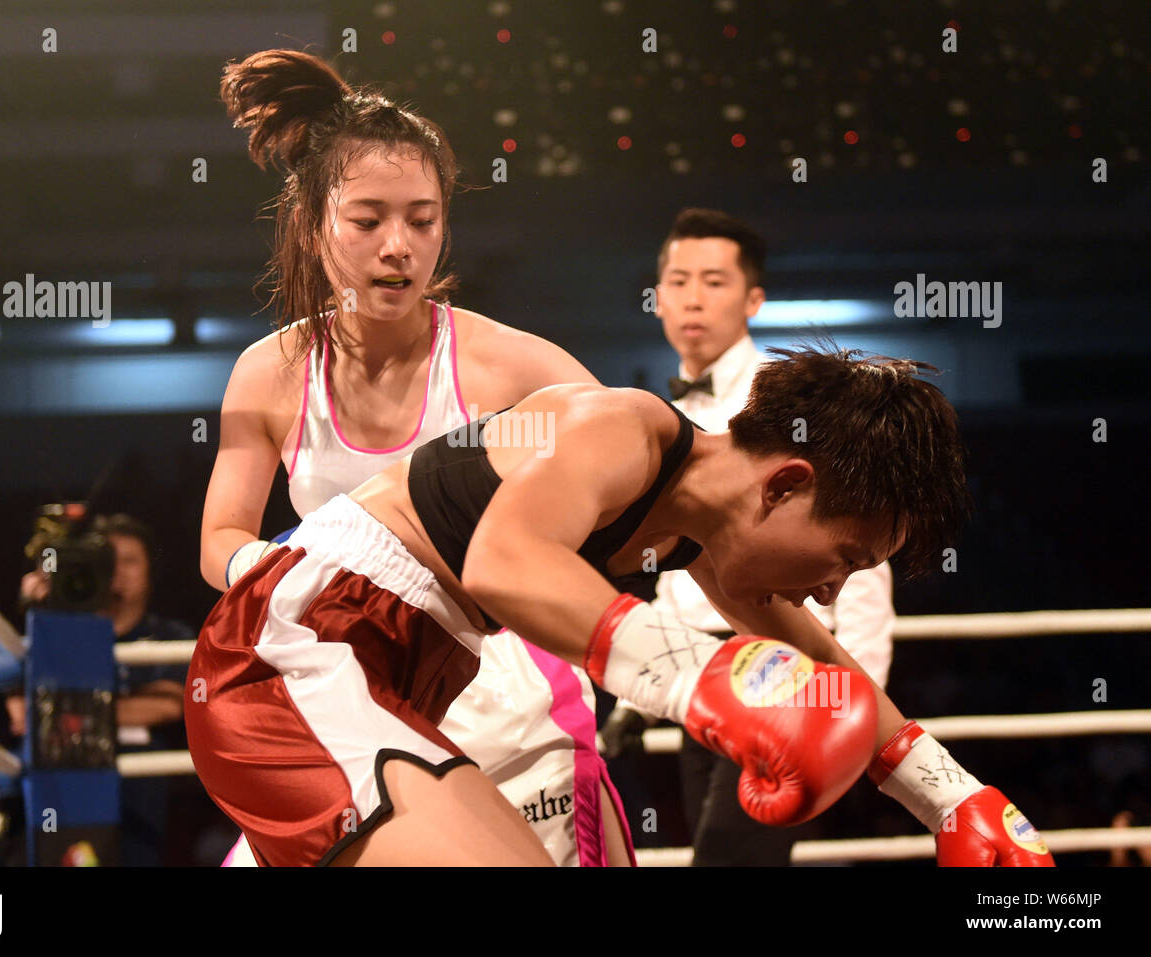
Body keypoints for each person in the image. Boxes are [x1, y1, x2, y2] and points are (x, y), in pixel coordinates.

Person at [186, 342, 1055, 867]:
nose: (834, 588)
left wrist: (955, 798)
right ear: (786, 483)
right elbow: (506, 561)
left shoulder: (699, 534)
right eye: (847, 557)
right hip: (302, 646)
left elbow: (840, 681)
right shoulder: (622, 427)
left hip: (390, 681)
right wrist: (699, 678)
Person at [198, 49, 631, 866]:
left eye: (423, 219)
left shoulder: (516, 367)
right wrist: (298, 574)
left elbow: (647, 488)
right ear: (314, 222)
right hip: (343, 695)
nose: (398, 246)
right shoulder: (269, 374)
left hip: (511, 705)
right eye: (368, 220)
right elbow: (219, 536)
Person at [603, 208, 896, 864]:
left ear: (754, 298)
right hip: (693, 678)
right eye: (678, 281)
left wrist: (858, 714)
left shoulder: (790, 404)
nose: (693, 298)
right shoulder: (659, 413)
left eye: (715, 281)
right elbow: (675, 571)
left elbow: (859, 557)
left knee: (727, 861)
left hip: (787, 668)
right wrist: (636, 693)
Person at [11, 513, 191, 866]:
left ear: (150, 573)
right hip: (57, 789)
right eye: (108, 560)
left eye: (130, 560)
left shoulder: (171, 636)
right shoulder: (58, 629)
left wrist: (65, 715)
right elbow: (21, 714)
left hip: (136, 799)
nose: (118, 570)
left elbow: (170, 704)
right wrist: (35, 611)